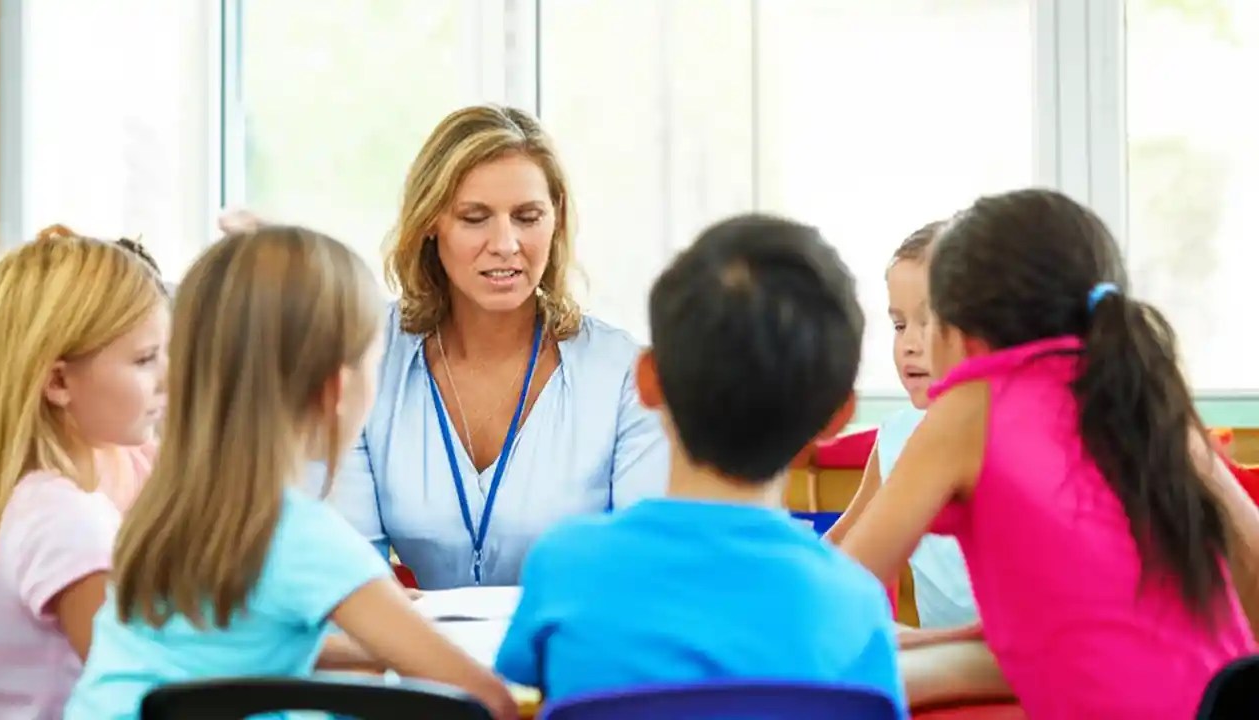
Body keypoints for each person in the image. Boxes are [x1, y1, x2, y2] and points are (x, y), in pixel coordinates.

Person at [66, 226, 517, 720]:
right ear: (336, 389)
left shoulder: (166, 508)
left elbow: (229, 649)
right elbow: (486, 702)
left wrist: (379, 648)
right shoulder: (300, 534)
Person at [842, 188, 1259, 719]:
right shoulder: (1145, 394)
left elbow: (846, 590)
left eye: (928, 319)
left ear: (959, 328)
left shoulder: (971, 406)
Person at [227, 104, 668, 589]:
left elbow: (643, 570)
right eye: (475, 218)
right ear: (432, 222)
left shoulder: (620, 372)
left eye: (527, 217)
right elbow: (347, 572)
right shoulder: (366, 353)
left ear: (556, 220)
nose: (506, 243)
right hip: (404, 651)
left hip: (568, 654)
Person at [494, 215, 904, 709]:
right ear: (839, 416)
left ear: (646, 381)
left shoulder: (565, 565)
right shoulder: (854, 606)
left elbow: (518, 679)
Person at [0, 226, 168, 718]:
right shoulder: (62, 520)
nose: (168, 377)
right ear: (59, 381)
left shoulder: (32, 500)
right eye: (147, 359)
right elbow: (152, 691)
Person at [827, 221, 978, 633]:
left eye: (927, 322)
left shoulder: (1015, 440)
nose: (909, 344)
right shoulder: (896, 436)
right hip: (951, 659)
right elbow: (843, 549)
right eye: (898, 325)